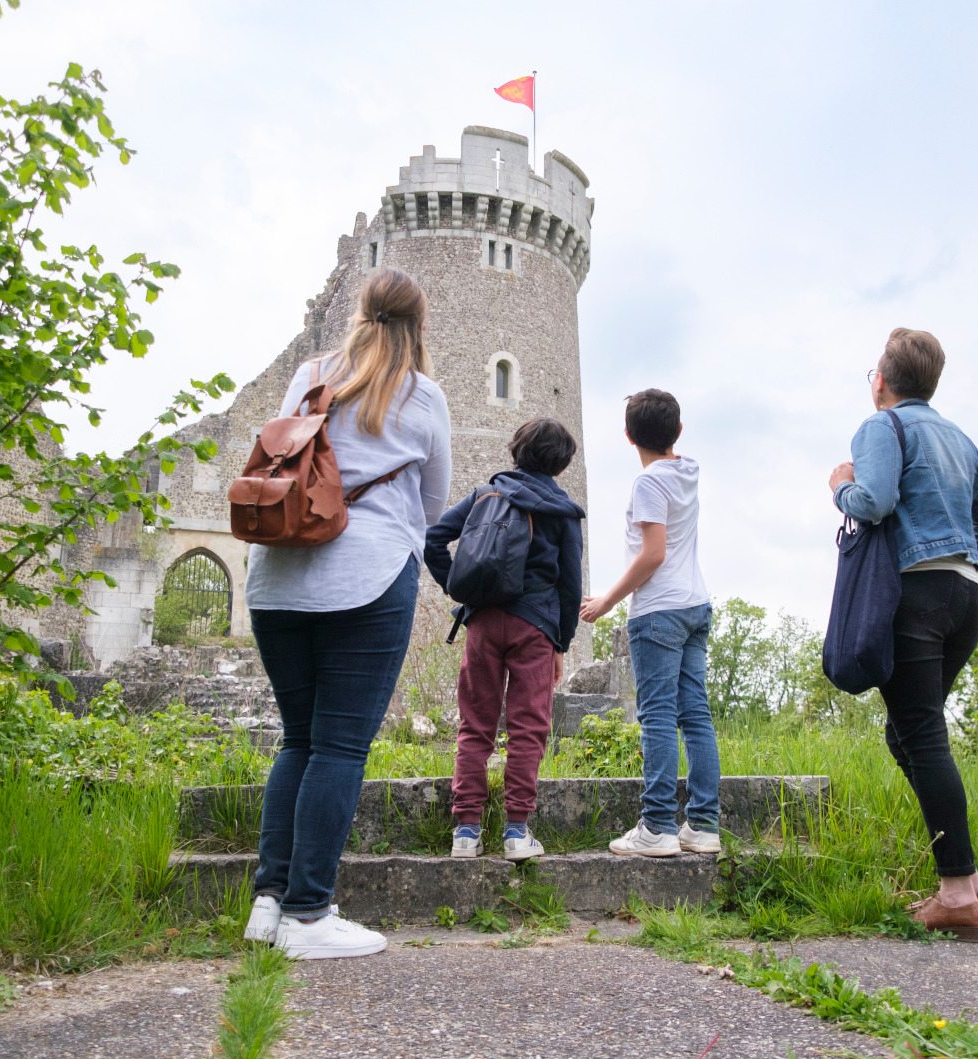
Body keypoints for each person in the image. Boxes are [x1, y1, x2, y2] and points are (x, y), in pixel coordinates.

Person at [240, 268, 452, 959]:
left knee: (296, 741)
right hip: (366, 577)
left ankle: (269, 905)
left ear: (359, 314)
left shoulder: (310, 373)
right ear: (418, 326)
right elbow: (432, 506)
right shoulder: (423, 397)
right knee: (337, 747)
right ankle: (309, 914)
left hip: (278, 577)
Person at [828, 327, 978, 942]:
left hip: (914, 598)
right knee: (907, 736)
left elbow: (872, 502)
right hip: (965, 597)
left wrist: (838, 488)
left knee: (923, 739)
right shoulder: (960, 437)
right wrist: (958, 557)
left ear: (880, 380)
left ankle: (957, 892)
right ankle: (971, 879)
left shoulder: (882, 427)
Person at [424, 418, 586, 862]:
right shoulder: (564, 512)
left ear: (515, 450)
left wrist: (459, 588)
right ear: (562, 463)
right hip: (534, 626)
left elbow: (434, 540)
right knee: (527, 727)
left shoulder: (484, 495)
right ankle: (516, 830)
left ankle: (466, 831)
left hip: (482, 622)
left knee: (475, 724)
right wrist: (561, 643)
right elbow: (571, 587)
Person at [580, 389, 722, 857]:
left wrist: (606, 601)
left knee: (658, 716)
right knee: (695, 716)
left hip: (659, 610)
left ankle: (658, 827)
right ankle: (702, 825)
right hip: (695, 605)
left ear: (627, 436)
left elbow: (654, 554)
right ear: (678, 431)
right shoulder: (689, 470)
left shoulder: (648, 483)